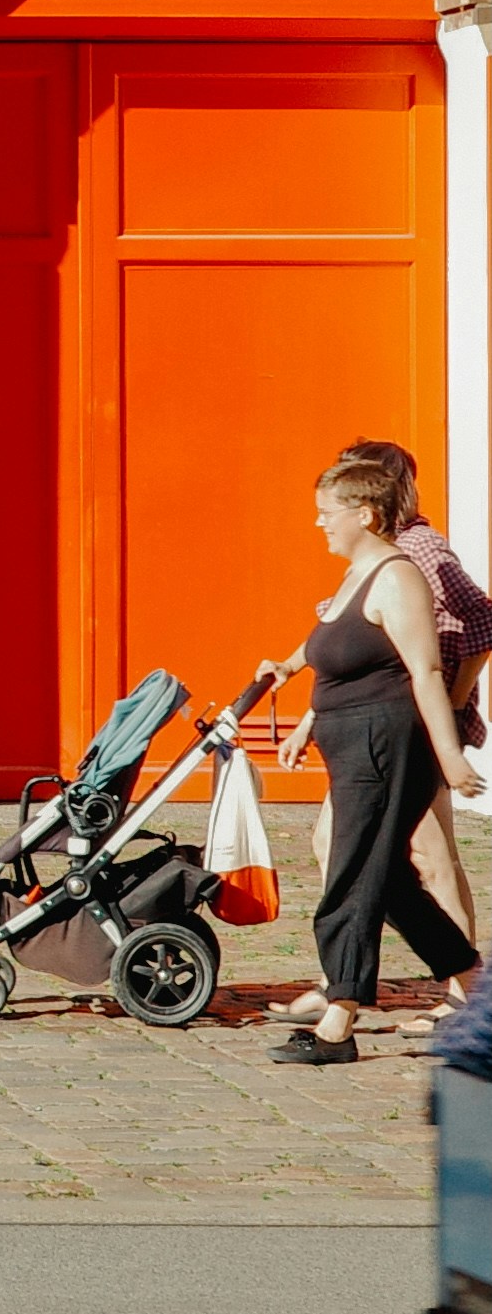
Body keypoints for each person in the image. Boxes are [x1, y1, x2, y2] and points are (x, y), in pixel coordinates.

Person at [273, 445, 482, 1062]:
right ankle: (476, 987)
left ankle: (340, 1017)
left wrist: (451, 757)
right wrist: (288, 674)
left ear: (364, 513)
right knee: (390, 883)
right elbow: (334, 660)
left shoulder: (399, 576)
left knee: (354, 873)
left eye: (327, 511)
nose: (319, 522)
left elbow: (424, 671)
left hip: (387, 746)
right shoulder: (355, 577)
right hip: (354, 745)